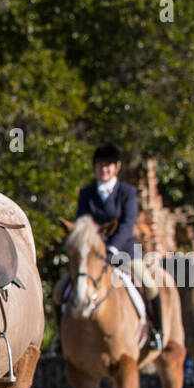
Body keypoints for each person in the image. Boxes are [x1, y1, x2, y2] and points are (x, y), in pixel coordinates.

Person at [60, 144, 163, 348]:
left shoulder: (127, 192)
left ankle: (156, 332)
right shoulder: (86, 194)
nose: (103, 170)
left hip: (124, 250)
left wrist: (112, 249)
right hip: (92, 255)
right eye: (99, 166)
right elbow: (82, 225)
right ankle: (61, 339)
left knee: (149, 285)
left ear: (116, 167)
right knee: (59, 290)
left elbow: (127, 223)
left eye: (107, 166)